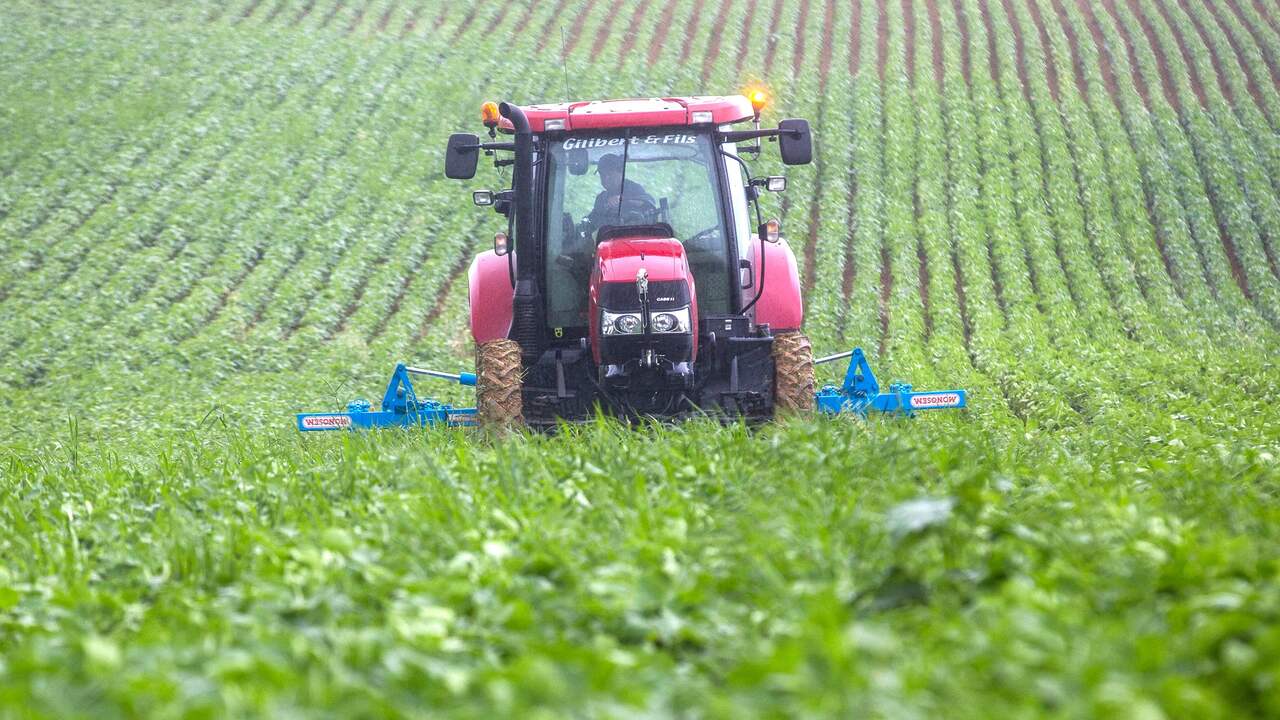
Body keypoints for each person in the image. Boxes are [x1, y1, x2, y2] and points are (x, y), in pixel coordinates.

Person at [586, 153, 655, 230]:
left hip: (634, 233)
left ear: (621, 172)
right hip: (608, 235)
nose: (606, 178)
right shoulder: (601, 198)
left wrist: (623, 199)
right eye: (602, 175)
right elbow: (592, 219)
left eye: (609, 174)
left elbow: (649, 202)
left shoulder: (634, 188)